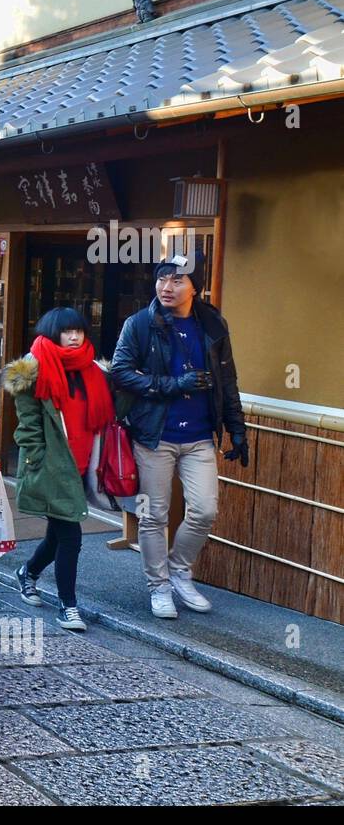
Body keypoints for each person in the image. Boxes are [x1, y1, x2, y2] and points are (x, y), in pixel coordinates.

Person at [111, 250, 247, 619]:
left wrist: (237, 427)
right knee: (154, 515)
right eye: (161, 278)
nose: (166, 287)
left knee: (204, 510)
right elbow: (120, 372)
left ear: (195, 287)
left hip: (200, 434)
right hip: (155, 435)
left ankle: (180, 571)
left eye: (177, 280)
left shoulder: (213, 324)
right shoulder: (140, 324)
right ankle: (159, 587)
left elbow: (227, 379)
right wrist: (173, 384)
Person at [3, 308, 115, 631]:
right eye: (67, 331)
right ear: (53, 333)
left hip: (83, 466)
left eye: (78, 330)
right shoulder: (32, 370)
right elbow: (27, 425)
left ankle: (28, 573)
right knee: (71, 535)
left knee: (57, 535)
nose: (75, 336)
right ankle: (68, 606)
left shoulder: (94, 369)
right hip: (52, 467)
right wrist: (38, 460)